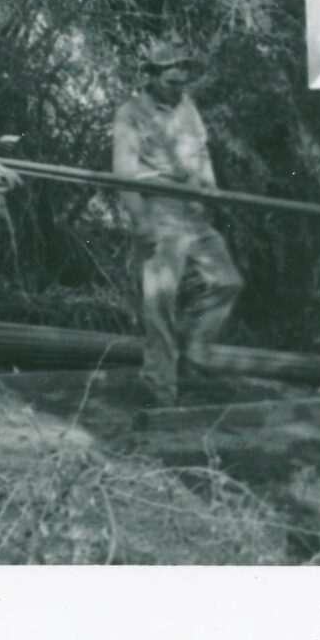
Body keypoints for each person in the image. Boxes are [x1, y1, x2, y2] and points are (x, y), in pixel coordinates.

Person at [112, 37, 244, 406]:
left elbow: (201, 152)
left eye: (183, 78)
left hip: (196, 214)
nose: (178, 85)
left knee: (228, 282)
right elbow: (123, 173)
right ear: (152, 76)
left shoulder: (188, 106)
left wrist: (212, 189)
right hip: (160, 213)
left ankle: (195, 350)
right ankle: (160, 388)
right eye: (171, 78)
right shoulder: (131, 114)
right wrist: (139, 220)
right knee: (160, 304)